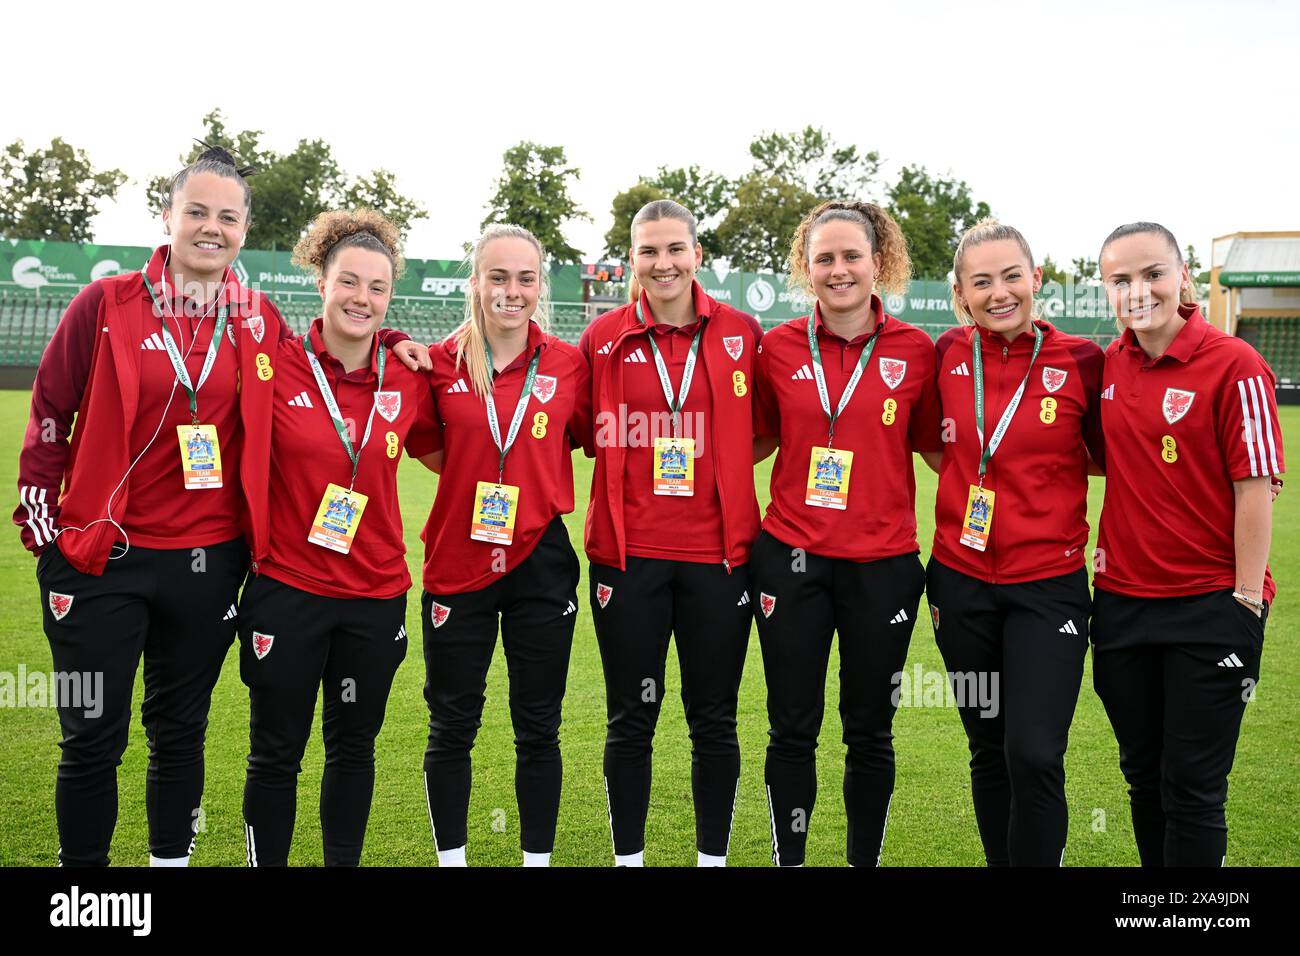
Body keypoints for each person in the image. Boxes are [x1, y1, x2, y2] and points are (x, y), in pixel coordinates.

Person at [13, 145, 426, 867]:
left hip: (207, 564)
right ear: (167, 217)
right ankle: (83, 890)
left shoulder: (259, 320)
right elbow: (49, 414)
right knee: (90, 738)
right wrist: (47, 533)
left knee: (180, 733)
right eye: (196, 211)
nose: (211, 227)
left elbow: (336, 346)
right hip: (100, 558)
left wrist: (390, 337)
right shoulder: (105, 304)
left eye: (227, 216)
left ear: (244, 228)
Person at [238, 209, 437, 866]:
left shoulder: (411, 372)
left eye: (377, 288)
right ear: (321, 281)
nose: (362, 298)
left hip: (374, 598)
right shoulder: (273, 366)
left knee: (354, 749)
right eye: (349, 282)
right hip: (289, 592)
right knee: (275, 754)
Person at [751, 200, 942, 867]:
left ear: (878, 260)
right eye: (824, 258)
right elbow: (752, 438)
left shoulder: (918, 350)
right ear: (806, 268)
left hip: (882, 565)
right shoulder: (775, 346)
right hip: (789, 561)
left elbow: (947, 451)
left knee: (870, 733)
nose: (838, 270)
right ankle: (792, 860)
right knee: (792, 730)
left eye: (851, 256)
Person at [1091, 222, 1283, 866]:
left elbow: (1256, 486)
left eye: (1152, 274)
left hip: (1211, 608)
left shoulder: (1236, 363)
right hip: (1121, 606)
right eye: (1121, 280)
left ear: (1183, 278)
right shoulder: (1110, 363)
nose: (1138, 291)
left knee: (1195, 789)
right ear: (1106, 290)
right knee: (1144, 778)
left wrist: (1245, 601)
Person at [580, 199, 763, 866]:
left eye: (675, 249)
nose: (664, 264)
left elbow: (765, 428)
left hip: (721, 560)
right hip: (628, 561)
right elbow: (570, 423)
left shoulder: (743, 333)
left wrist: (724, 471)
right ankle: (630, 859)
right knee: (632, 718)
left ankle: (710, 860)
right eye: (649, 251)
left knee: (713, 719)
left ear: (697, 254)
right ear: (633, 258)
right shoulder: (602, 338)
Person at [923, 219, 1105, 866]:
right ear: (961, 293)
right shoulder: (945, 353)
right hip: (958, 582)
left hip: (1048, 590)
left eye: (1011, 276)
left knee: (1033, 753)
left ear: (1037, 279)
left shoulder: (1083, 360)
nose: (999, 292)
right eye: (981, 281)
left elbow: (1120, 457)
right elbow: (927, 441)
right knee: (988, 749)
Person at [419, 224, 591, 867]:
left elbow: (569, 440)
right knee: (452, 724)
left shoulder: (569, 364)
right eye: (498, 276)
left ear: (540, 285)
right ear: (477, 283)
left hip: (541, 560)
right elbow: (427, 444)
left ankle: (535, 860)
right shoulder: (438, 362)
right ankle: (453, 859)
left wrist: (524, 478)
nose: (511, 291)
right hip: (458, 558)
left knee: (538, 728)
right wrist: (476, 473)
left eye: (525, 278)